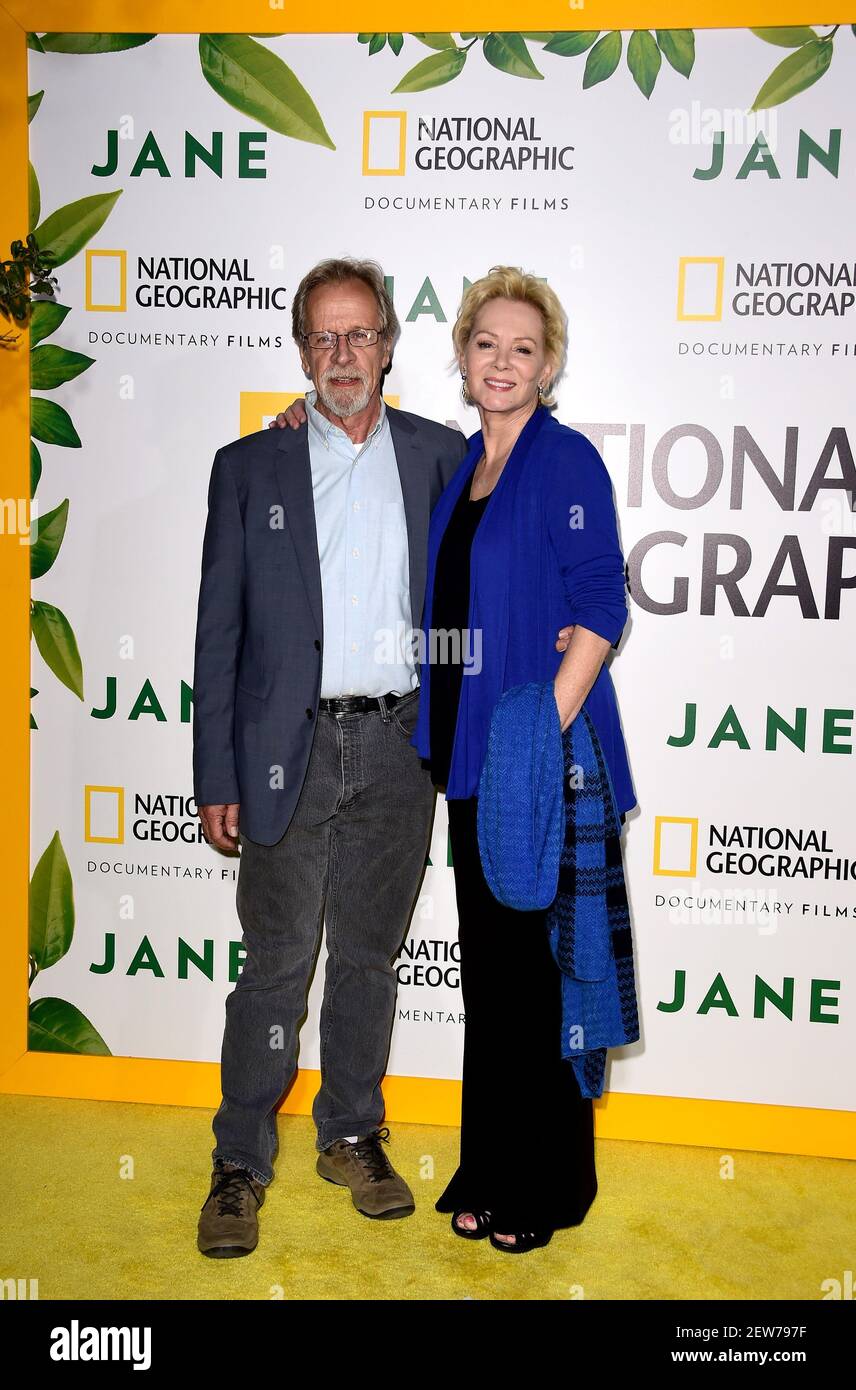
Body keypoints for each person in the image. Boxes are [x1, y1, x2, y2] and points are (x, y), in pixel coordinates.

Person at [192, 257, 471, 1257]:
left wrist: (462, 716)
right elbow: (218, 633)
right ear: (301, 350)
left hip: (400, 747)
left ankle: (352, 1132)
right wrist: (215, 774)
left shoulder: (444, 456)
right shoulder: (249, 467)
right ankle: (239, 1162)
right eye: (323, 337)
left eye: (360, 335)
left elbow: (465, 605)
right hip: (286, 750)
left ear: (390, 342)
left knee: (367, 960)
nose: (342, 354)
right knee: (273, 970)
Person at [414, 266, 637, 1254]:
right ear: (463, 361)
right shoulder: (463, 466)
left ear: (547, 366)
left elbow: (601, 602)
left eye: (522, 347)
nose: (501, 363)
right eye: (484, 344)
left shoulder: (564, 462)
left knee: (542, 976)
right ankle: (490, 1163)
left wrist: (537, 731)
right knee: (491, 979)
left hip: (540, 760)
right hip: (472, 759)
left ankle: (548, 1182)